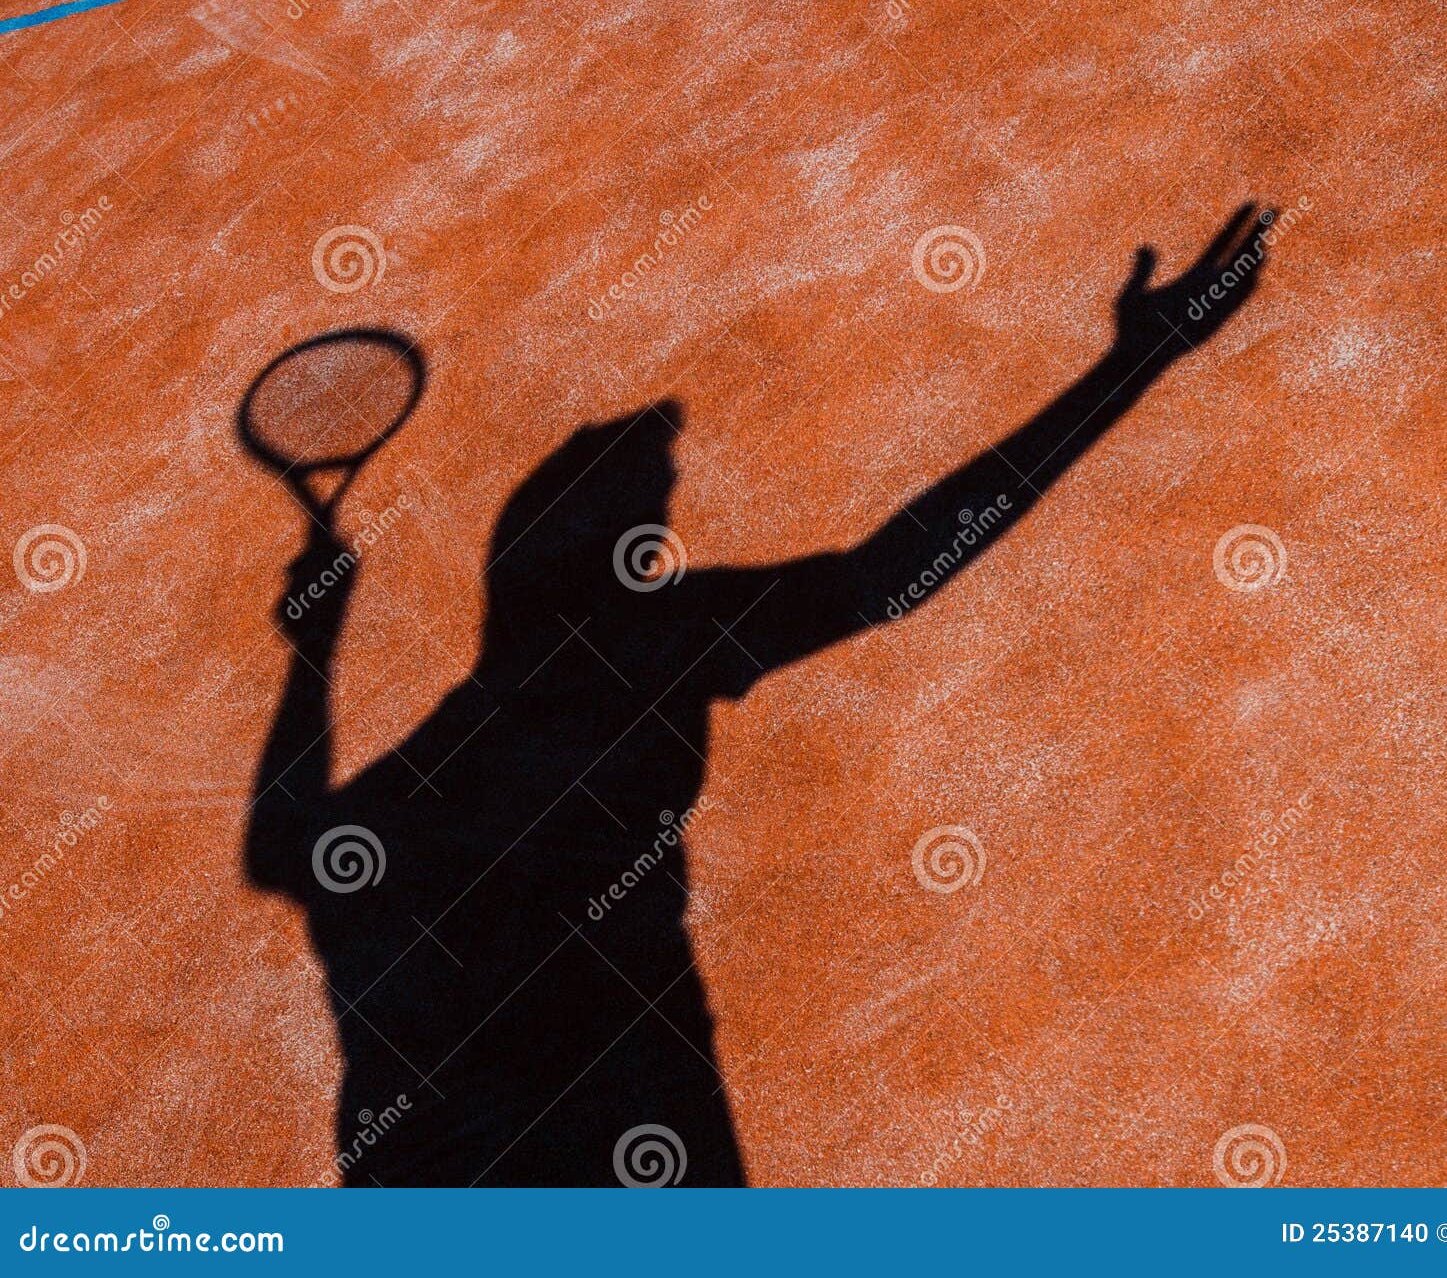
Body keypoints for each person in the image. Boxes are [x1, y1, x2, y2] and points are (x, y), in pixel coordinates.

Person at [246, 205, 1269, 1185]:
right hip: (626, 1122)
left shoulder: (407, 792)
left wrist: (314, 653)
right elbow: (892, 571)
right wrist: (1133, 362)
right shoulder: (650, 642)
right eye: (650, 513)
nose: (662, 539)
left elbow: (284, 846)